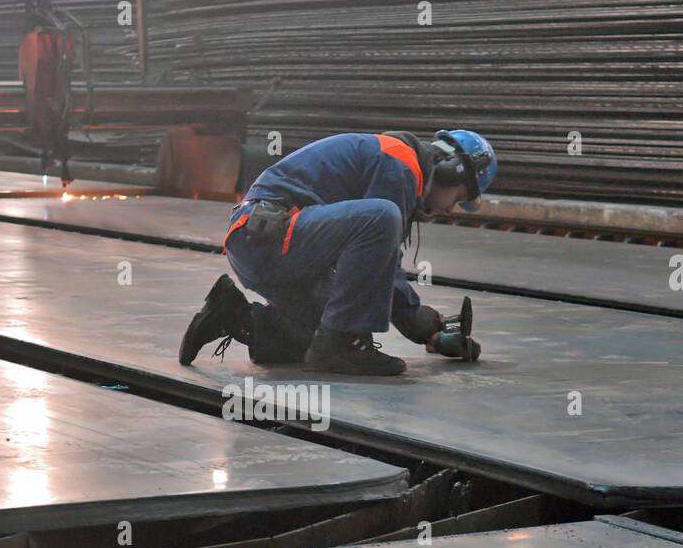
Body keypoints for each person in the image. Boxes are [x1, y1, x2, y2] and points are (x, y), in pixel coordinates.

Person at [179, 129, 496, 375]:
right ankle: (344, 344)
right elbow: (387, 266)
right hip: (273, 233)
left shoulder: (391, 161)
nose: (451, 208)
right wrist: (421, 323)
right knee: (382, 216)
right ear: (451, 171)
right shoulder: (400, 162)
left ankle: (234, 315)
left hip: (263, 242)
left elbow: (371, 275)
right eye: (459, 197)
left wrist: (434, 335)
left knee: (315, 331)